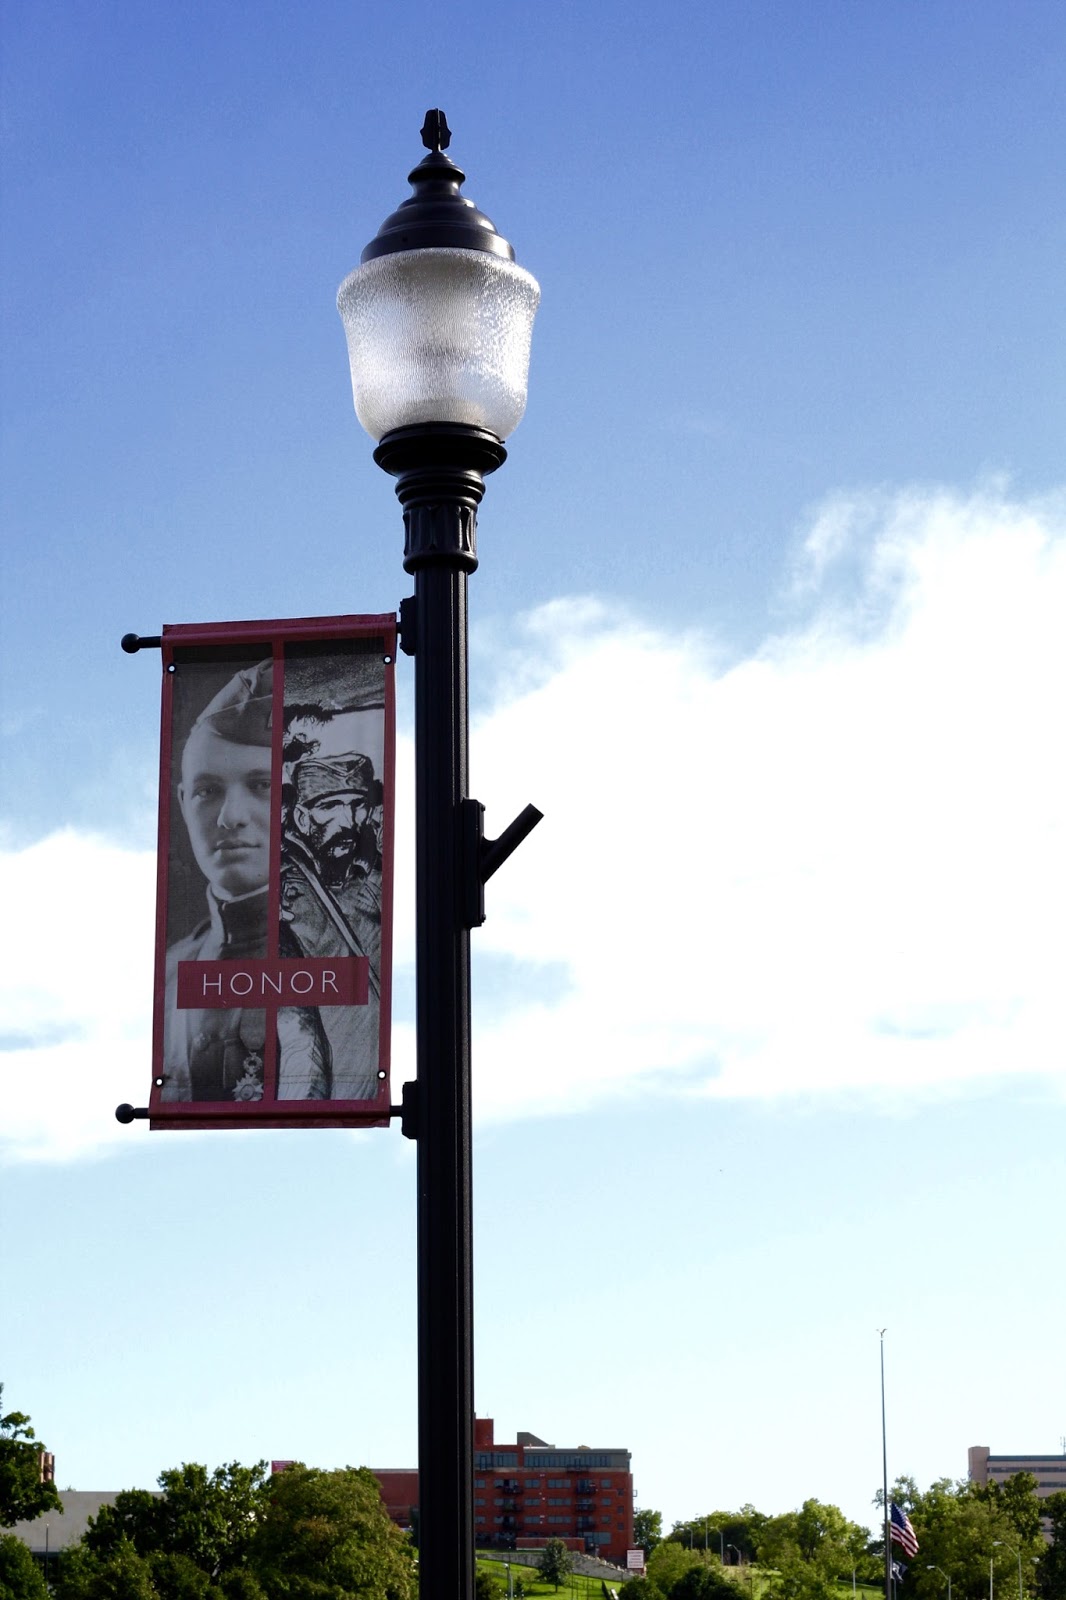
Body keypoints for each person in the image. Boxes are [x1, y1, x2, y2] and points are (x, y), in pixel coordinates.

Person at [161, 660, 331, 1103]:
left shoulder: (336, 955)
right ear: (182, 803)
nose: (229, 818)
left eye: (260, 786)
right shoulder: (171, 972)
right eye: (207, 790)